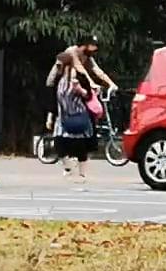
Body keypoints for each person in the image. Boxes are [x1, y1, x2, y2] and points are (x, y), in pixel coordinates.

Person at [49, 42, 117, 174]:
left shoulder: (86, 58)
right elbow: (81, 69)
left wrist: (111, 84)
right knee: (63, 139)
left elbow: (97, 71)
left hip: (74, 108)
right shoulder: (71, 53)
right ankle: (71, 165)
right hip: (63, 104)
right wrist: (90, 84)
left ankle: (79, 169)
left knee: (79, 137)